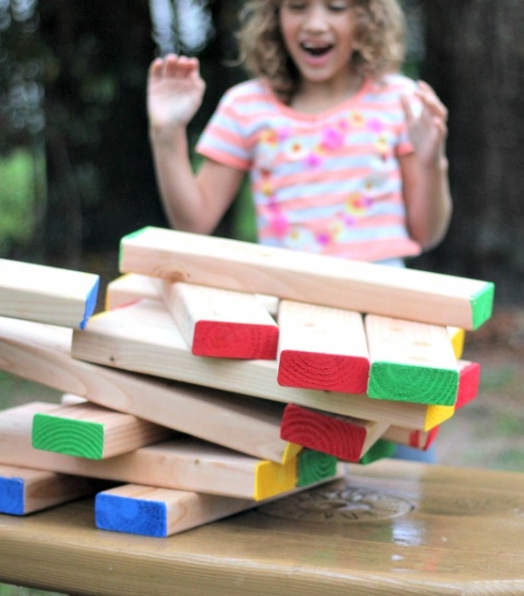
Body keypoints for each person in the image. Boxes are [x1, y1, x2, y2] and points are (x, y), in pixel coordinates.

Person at [146, 0, 451, 462]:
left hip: (389, 314)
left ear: (366, 18)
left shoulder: (399, 101)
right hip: (290, 315)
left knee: (404, 472)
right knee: (302, 464)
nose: (315, 23)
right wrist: (166, 134)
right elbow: (195, 220)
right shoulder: (246, 106)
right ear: (273, 17)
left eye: (336, 7)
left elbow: (427, 231)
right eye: (296, 6)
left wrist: (432, 161)